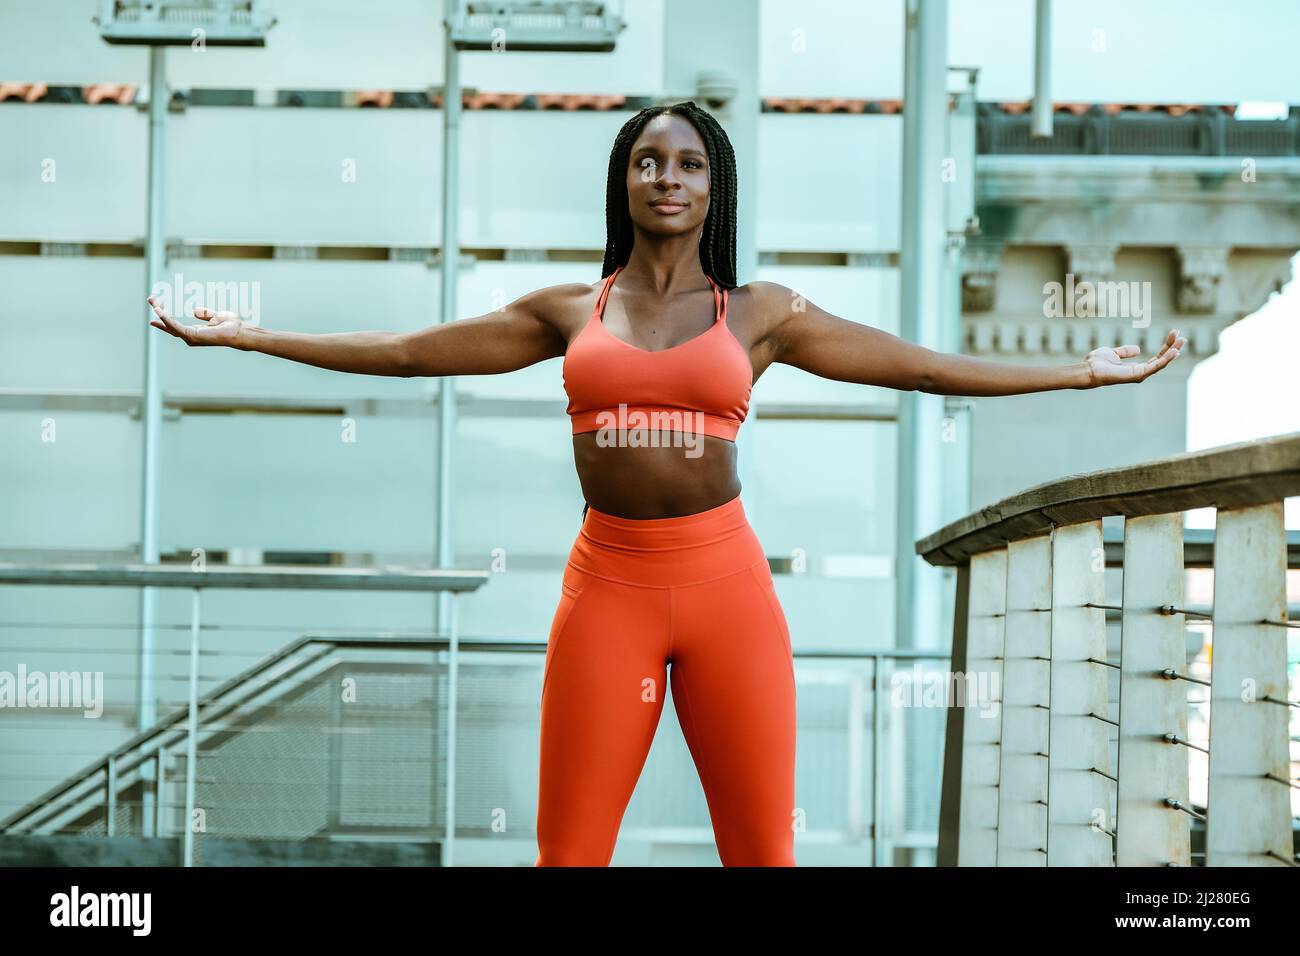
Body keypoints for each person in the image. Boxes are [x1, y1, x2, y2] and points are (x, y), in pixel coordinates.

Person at [145, 100, 1185, 867]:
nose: (667, 177)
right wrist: (247, 335)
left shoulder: (763, 310)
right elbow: (412, 350)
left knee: (760, 856)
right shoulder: (567, 309)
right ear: (626, 183)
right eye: (647, 161)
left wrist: (1079, 370)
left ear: (711, 185)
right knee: (569, 855)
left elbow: (919, 365)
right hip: (608, 587)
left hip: (728, 586)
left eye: (687, 162)